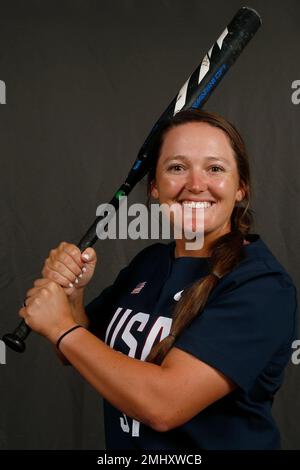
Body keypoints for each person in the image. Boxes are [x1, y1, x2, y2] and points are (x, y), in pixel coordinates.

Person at [19, 109, 297, 450]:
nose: (196, 184)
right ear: (154, 186)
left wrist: (61, 327)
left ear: (240, 187)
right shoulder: (150, 262)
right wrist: (74, 295)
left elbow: (164, 404)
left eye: (215, 168)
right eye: (177, 167)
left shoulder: (261, 286)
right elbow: (80, 351)